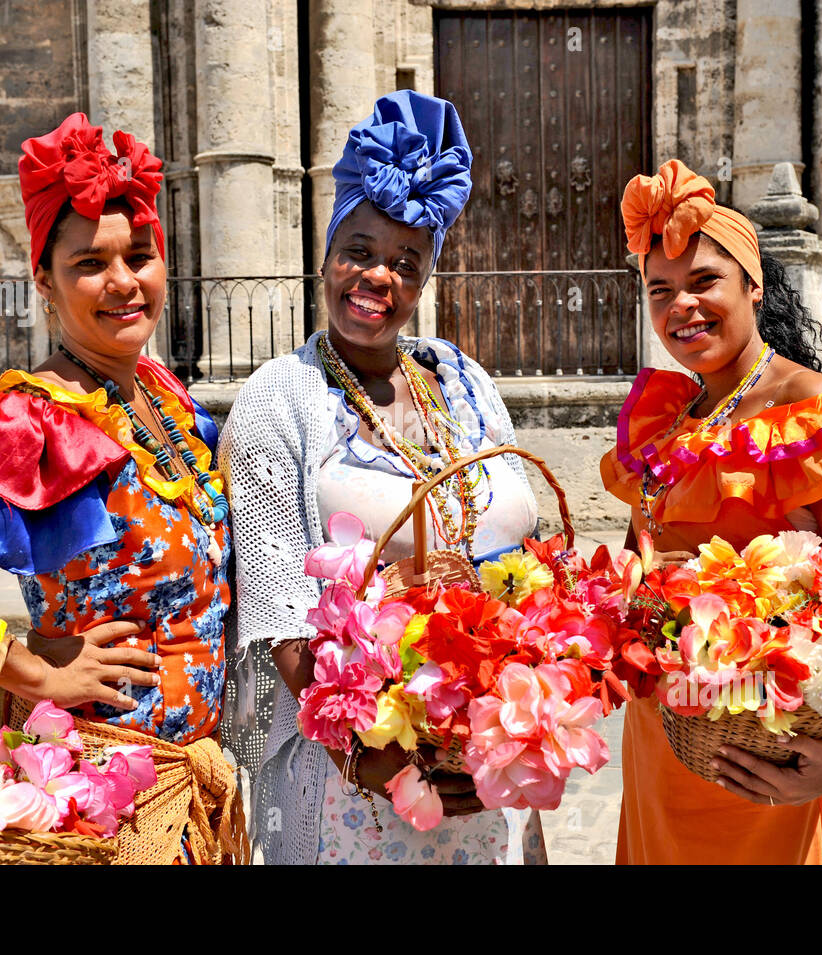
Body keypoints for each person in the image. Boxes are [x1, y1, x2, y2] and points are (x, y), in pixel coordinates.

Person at [0, 113, 244, 864]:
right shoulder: (30, 416)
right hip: (97, 790)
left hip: (186, 786)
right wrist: (25, 666)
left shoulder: (167, 400)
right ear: (44, 280)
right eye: (90, 262)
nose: (124, 282)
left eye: (141, 255)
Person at [221, 90, 547, 865]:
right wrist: (378, 757)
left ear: (428, 276)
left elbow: (529, 555)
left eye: (407, 262)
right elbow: (280, 618)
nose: (377, 277)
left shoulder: (460, 378)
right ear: (327, 252)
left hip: (484, 763)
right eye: (359, 249)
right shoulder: (281, 399)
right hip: (358, 778)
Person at [600, 159, 822, 865]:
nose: (680, 306)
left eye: (703, 282)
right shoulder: (663, 420)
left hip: (771, 765)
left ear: (754, 286)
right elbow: (638, 563)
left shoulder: (811, 413)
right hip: (663, 749)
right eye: (660, 291)